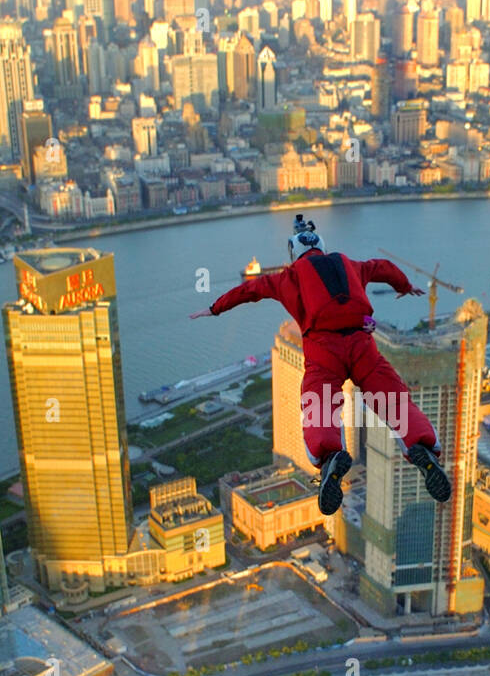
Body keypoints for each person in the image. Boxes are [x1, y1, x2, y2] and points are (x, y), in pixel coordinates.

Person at [189, 215, 452, 515]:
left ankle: (330, 457)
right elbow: (383, 267)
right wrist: (404, 285)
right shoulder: (349, 264)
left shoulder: (287, 277)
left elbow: (249, 291)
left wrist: (214, 309)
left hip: (324, 351)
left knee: (319, 407)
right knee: (394, 401)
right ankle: (422, 446)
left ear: (293, 253)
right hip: (362, 343)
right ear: (322, 248)